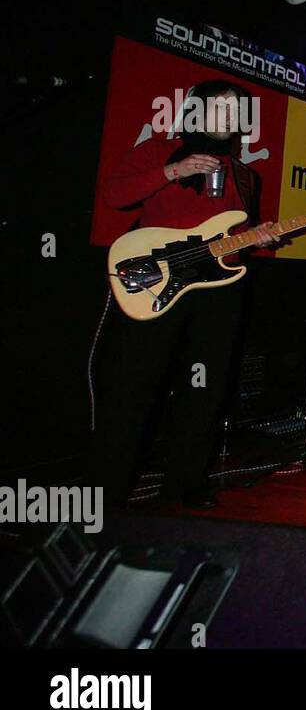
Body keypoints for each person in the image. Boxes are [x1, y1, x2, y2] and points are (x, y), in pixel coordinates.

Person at [92, 79, 280, 509]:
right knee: (134, 386)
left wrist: (262, 236)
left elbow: (231, 235)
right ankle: (105, 493)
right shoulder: (157, 151)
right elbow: (114, 196)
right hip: (156, 280)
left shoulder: (244, 174)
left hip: (216, 290)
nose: (228, 118)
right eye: (219, 108)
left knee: (206, 388)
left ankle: (185, 484)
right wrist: (175, 170)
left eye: (235, 111)